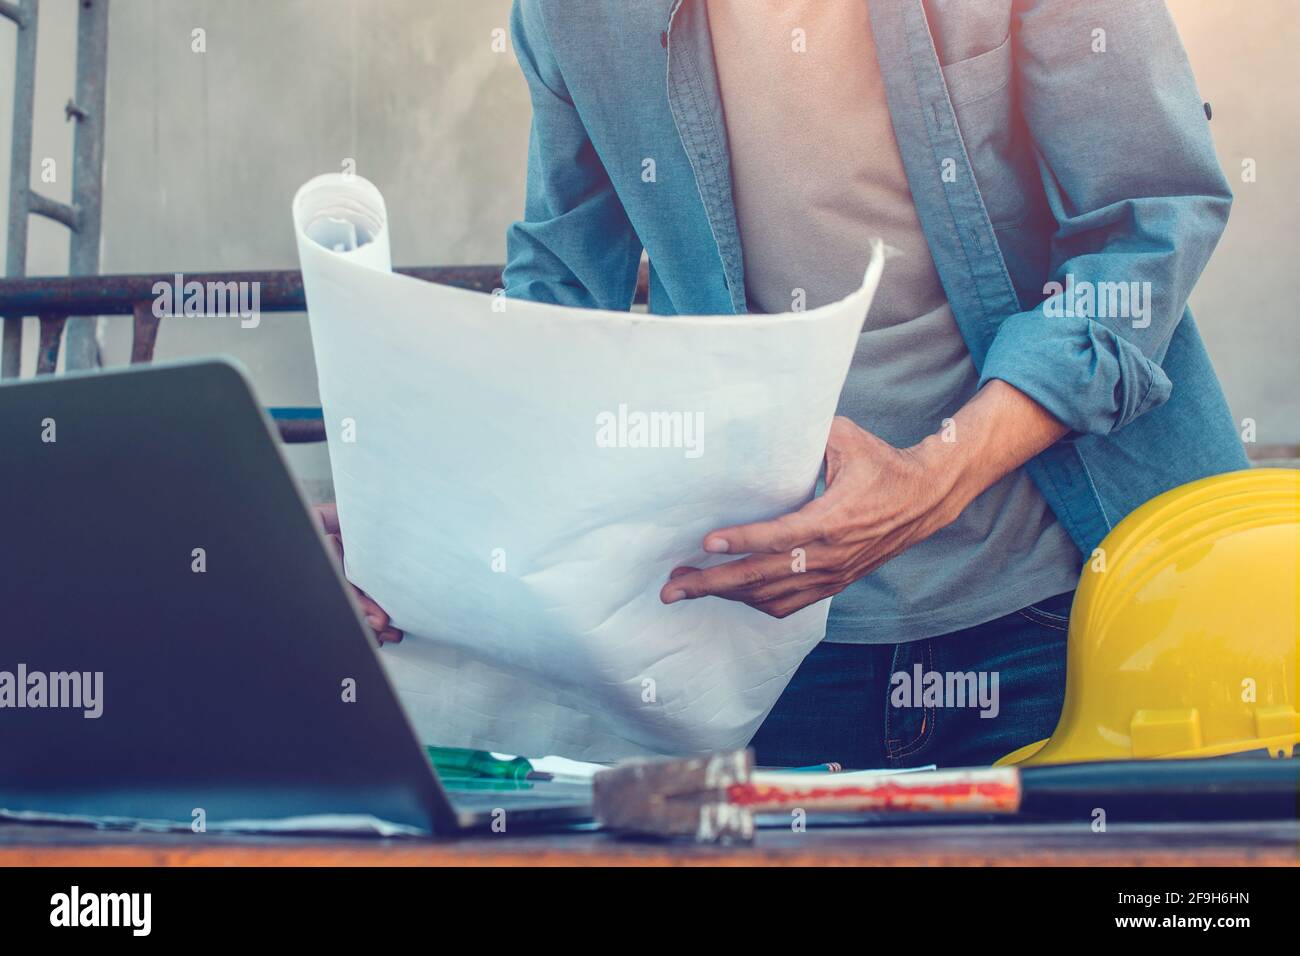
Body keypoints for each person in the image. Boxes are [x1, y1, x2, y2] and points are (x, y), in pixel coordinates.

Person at [332, 0, 1247, 768]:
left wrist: (934, 480)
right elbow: (565, 289)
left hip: (1068, 611)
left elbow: (1150, 214)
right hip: (762, 648)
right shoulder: (572, 13)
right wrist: (422, 530)